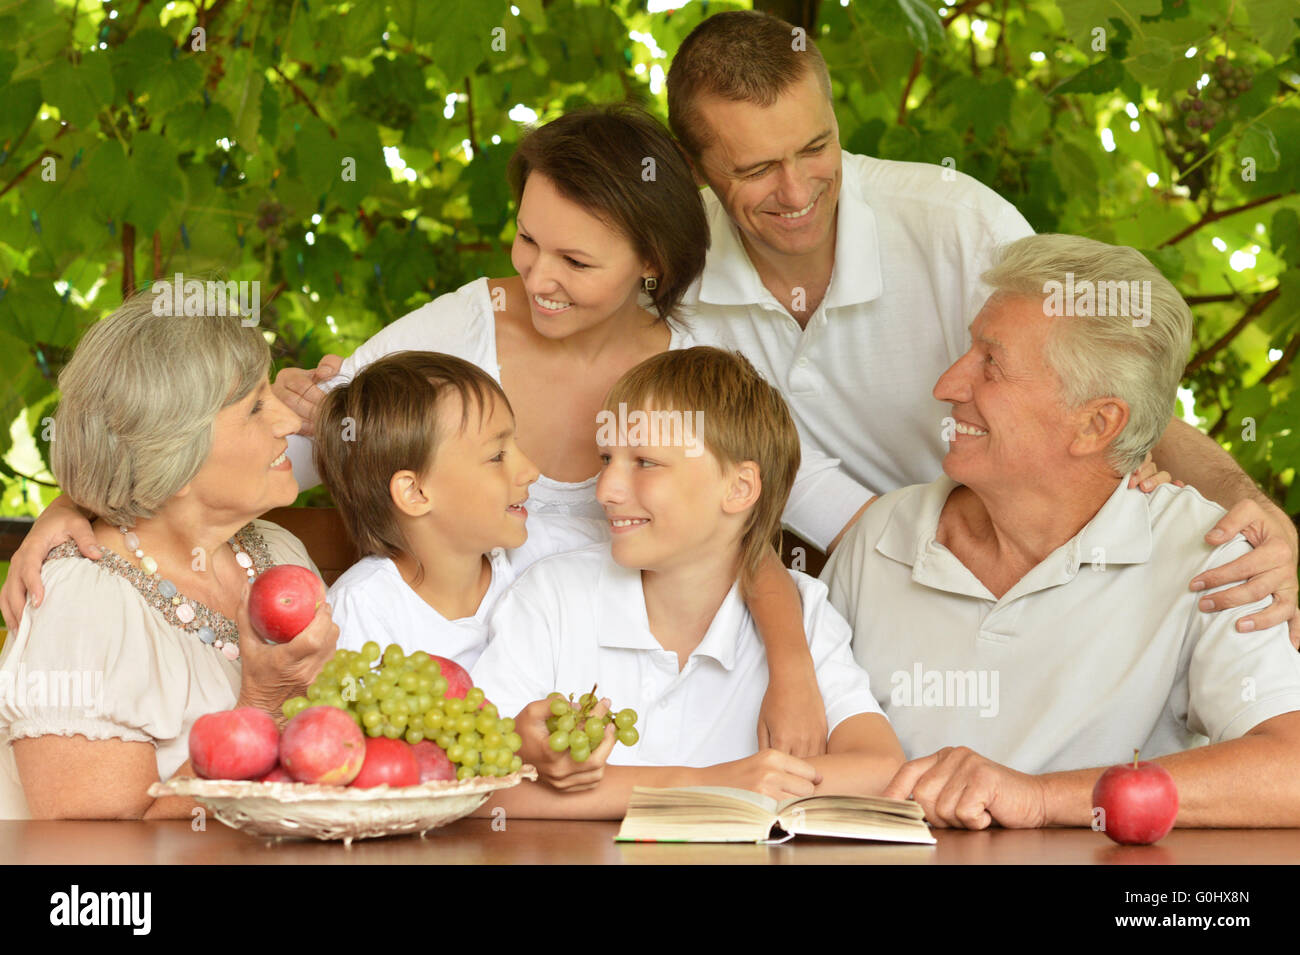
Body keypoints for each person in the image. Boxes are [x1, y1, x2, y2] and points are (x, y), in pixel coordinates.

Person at [0, 105, 851, 756]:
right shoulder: (461, 328)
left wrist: (795, 669)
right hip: (444, 701)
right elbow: (240, 451)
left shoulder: (691, 372)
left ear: (652, 265)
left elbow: (765, 522)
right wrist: (86, 502)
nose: (537, 278)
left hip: (595, 708)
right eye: (525, 240)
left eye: (577, 263)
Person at [666, 9, 1299, 643]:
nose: (797, 188)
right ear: (694, 169)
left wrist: (1259, 512)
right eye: (755, 170)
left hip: (1048, 562)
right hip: (851, 583)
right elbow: (776, 475)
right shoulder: (671, 273)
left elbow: (1108, 393)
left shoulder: (958, 226)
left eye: (815, 147)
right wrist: (923, 572)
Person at [821, 234, 1300, 830]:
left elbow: (1290, 771)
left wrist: (1043, 798)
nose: (947, 385)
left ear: (1096, 423)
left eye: (990, 363)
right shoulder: (881, 536)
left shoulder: (1209, 555)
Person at [471, 347, 904, 818]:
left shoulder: (805, 611)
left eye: (645, 462)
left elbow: (880, 768)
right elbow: (477, 787)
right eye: (607, 458)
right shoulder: (552, 596)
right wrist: (709, 785)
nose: (605, 490)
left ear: (738, 489)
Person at [0, 296, 338, 819]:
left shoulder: (274, 551)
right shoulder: (81, 609)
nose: (289, 422)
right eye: (254, 406)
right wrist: (261, 705)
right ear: (173, 458)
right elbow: (94, 854)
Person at [314, 350, 538, 667]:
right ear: (415, 492)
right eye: (497, 456)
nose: (531, 470)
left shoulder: (539, 561)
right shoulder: (361, 614)